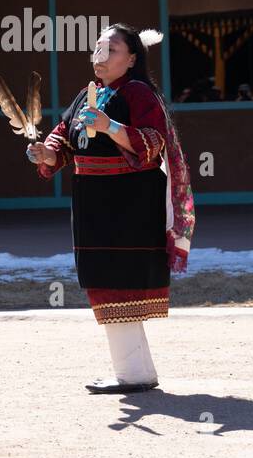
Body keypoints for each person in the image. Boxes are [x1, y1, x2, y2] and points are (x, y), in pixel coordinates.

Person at [27, 24, 194, 394]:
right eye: (97, 49)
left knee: (119, 285)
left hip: (129, 204)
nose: (99, 57)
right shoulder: (87, 95)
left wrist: (111, 126)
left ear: (132, 58)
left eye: (111, 50)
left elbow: (153, 144)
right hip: (93, 204)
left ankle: (133, 374)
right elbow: (65, 138)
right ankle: (137, 371)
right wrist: (47, 152)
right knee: (105, 282)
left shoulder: (138, 93)